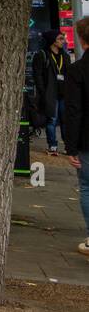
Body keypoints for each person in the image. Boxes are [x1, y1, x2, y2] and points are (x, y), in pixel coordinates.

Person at [61, 17, 89, 256]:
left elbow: (73, 110)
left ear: (80, 39)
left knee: (88, 187)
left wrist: (70, 147)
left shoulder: (77, 70)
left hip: (87, 140)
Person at [32, 29, 70, 155]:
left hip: (64, 93)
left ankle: (68, 146)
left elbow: (69, 74)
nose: (63, 41)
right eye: (60, 38)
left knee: (65, 120)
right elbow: (37, 76)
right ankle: (52, 145)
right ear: (53, 41)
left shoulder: (65, 56)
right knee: (51, 120)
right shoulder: (42, 55)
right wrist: (43, 92)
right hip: (50, 94)